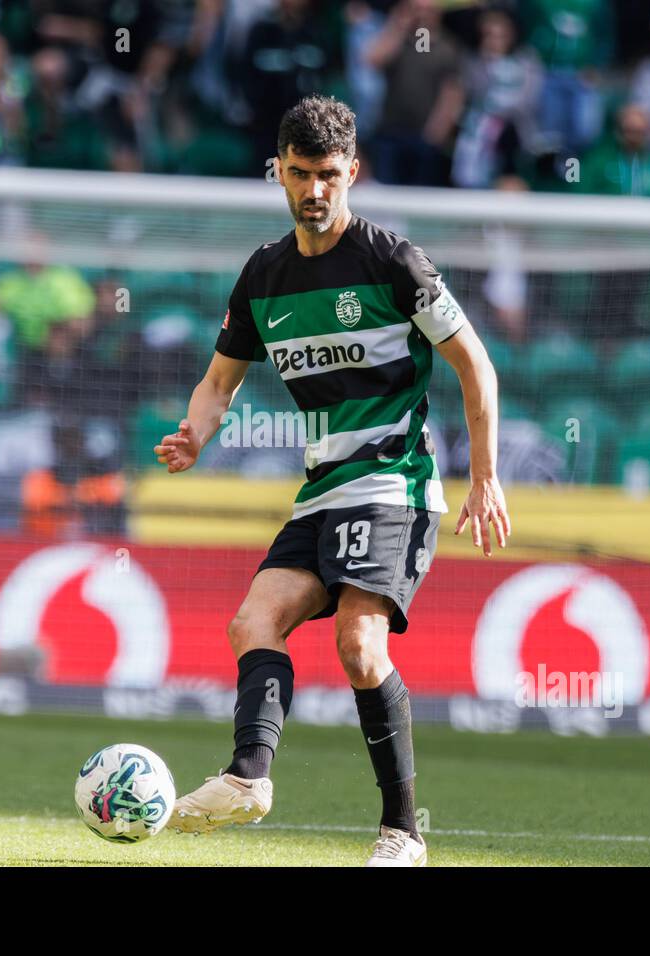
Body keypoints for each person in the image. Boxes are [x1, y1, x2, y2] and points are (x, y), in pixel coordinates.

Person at [153, 94, 511, 867]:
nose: (314, 190)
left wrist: (486, 478)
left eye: (328, 175)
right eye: (299, 174)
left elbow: (474, 364)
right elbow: (220, 383)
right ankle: (249, 779)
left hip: (395, 483)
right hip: (321, 490)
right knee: (253, 623)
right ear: (276, 173)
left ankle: (402, 834)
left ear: (353, 172)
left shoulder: (393, 262)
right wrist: (195, 434)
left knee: (358, 641)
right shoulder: (264, 275)